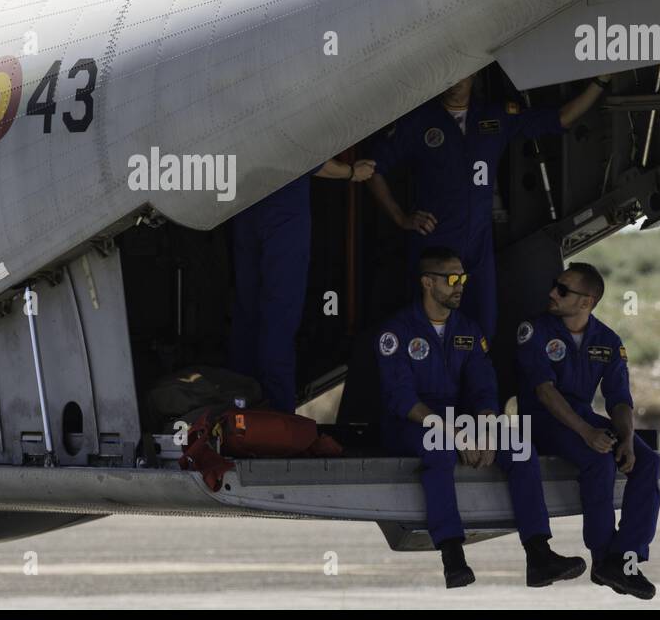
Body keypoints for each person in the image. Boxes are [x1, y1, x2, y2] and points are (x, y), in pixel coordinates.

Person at [375, 245, 586, 589]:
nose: (460, 285)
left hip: (461, 421)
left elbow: (483, 389)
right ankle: (452, 556)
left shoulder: (468, 330)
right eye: (452, 279)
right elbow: (401, 399)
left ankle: (538, 554)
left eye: (464, 278)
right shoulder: (397, 331)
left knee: (519, 445)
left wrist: (487, 430)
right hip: (413, 423)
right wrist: (456, 435)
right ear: (428, 283)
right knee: (440, 449)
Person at [367, 71, 610, 339]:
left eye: (460, 72)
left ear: (474, 74)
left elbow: (559, 119)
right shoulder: (418, 121)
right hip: (434, 243)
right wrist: (401, 218)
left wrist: (600, 82)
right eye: (447, 71)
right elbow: (372, 169)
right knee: (426, 333)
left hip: (477, 248)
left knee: (482, 329)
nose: (453, 79)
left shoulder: (494, 117)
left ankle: (476, 380)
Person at [515, 263, 660, 600]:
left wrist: (626, 438)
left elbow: (620, 399)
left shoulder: (608, 341)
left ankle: (624, 559)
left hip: (581, 418)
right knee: (598, 461)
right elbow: (544, 391)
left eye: (563, 290)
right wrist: (585, 432)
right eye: (555, 285)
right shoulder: (534, 330)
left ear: (586, 302)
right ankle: (601, 557)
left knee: (648, 461)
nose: (553, 293)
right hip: (541, 420)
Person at [229, 158, 375, 413]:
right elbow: (305, 156)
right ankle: (278, 421)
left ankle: (239, 416)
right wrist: (351, 172)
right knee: (279, 318)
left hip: (244, 200)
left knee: (247, 313)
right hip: (283, 206)